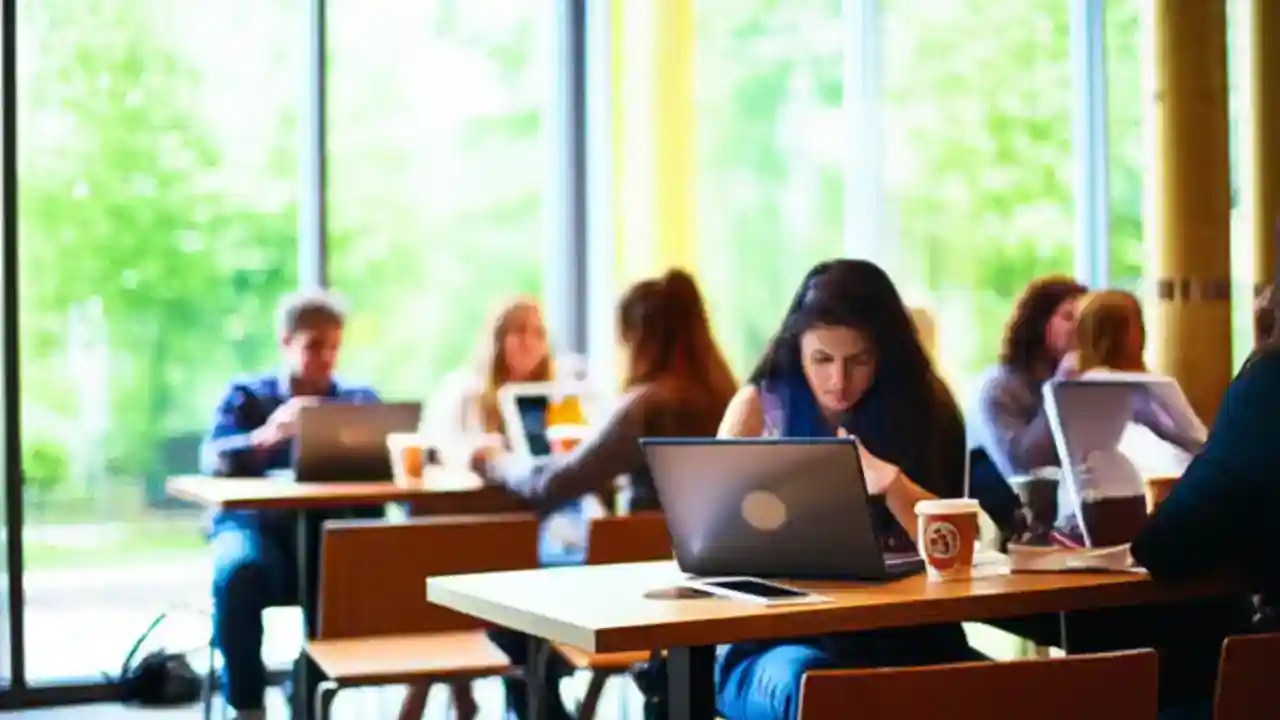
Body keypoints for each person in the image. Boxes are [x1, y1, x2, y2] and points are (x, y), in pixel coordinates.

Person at [715, 259, 978, 720]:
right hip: (777, 641)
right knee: (817, 685)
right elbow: (708, 545)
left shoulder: (926, 409)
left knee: (1020, 689)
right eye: (822, 360)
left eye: (859, 360)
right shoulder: (759, 407)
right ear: (796, 351)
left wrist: (892, 483)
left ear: (885, 355)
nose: (839, 381)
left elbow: (955, 555)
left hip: (906, 638)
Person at [479, 269, 737, 720]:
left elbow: (551, 486)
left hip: (640, 587)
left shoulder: (647, 405)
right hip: (707, 589)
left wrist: (494, 460)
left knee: (510, 621)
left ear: (639, 338)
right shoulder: (727, 397)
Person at [201, 291, 379, 720]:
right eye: (314, 345)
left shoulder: (358, 401)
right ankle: (248, 706)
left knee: (345, 571)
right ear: (286, 342)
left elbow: (388, 463)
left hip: (326, 533)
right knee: (238, 575)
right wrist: (269, 434)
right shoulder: (247, 397)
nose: (326, 358)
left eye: (334, 346)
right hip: (254, 528)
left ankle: (310, 703)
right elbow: (213, 459)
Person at [973, 276, 1087, 480]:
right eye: (1069, 317)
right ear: (1040, 321)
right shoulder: (999, 388)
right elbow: (1025, 464)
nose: (1080, 328)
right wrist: (1062, 389)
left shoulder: (1085, 383)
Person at [422, 297, 553, 470]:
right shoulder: (464, 391)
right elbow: (439, 452)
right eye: (519, 331)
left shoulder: (554, 397)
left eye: (538, 334)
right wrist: (473, 455)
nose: (529, 342)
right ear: (498, 339)